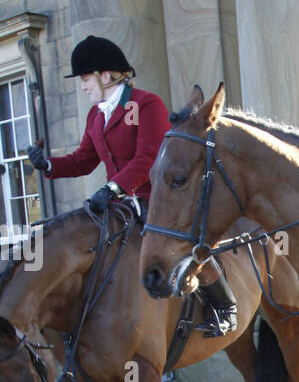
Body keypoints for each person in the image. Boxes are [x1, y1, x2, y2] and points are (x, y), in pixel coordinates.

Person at [27, 35, 236, 335]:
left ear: (106, 75)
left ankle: (224, 306)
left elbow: (149, 157)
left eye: (85, 79)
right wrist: (47, 164)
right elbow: (83, 161)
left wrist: (113, 188)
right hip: (120, 203)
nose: (83, 86)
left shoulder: (146, 104)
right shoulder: (95, 116)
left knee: (183, 243)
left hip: (157, 198)